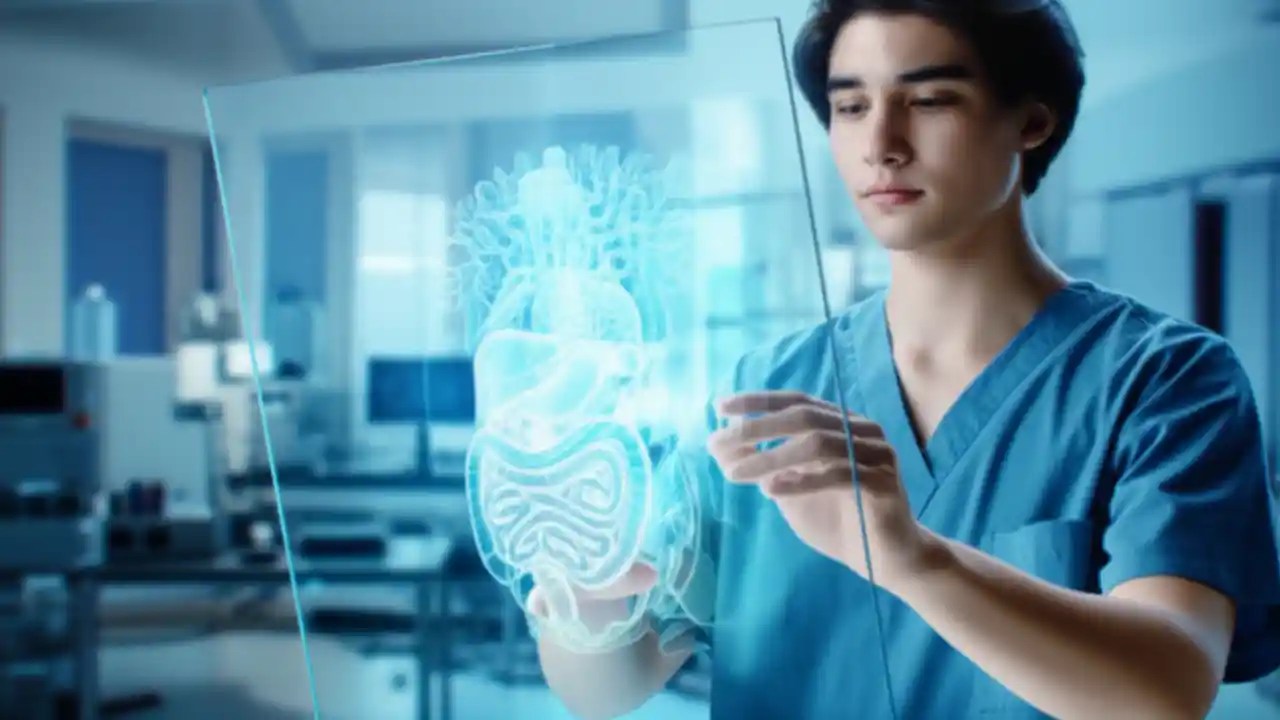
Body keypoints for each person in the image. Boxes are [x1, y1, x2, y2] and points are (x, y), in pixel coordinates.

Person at [530, 1, 1280, 718]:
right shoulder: (764, 394)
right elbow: (611, 687)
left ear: (1032, 119)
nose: (880, 143)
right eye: (850, 106)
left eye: (930, 100)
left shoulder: (1165, 384)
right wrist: (580, 593)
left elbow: (1167, 690)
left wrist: (913, 558)